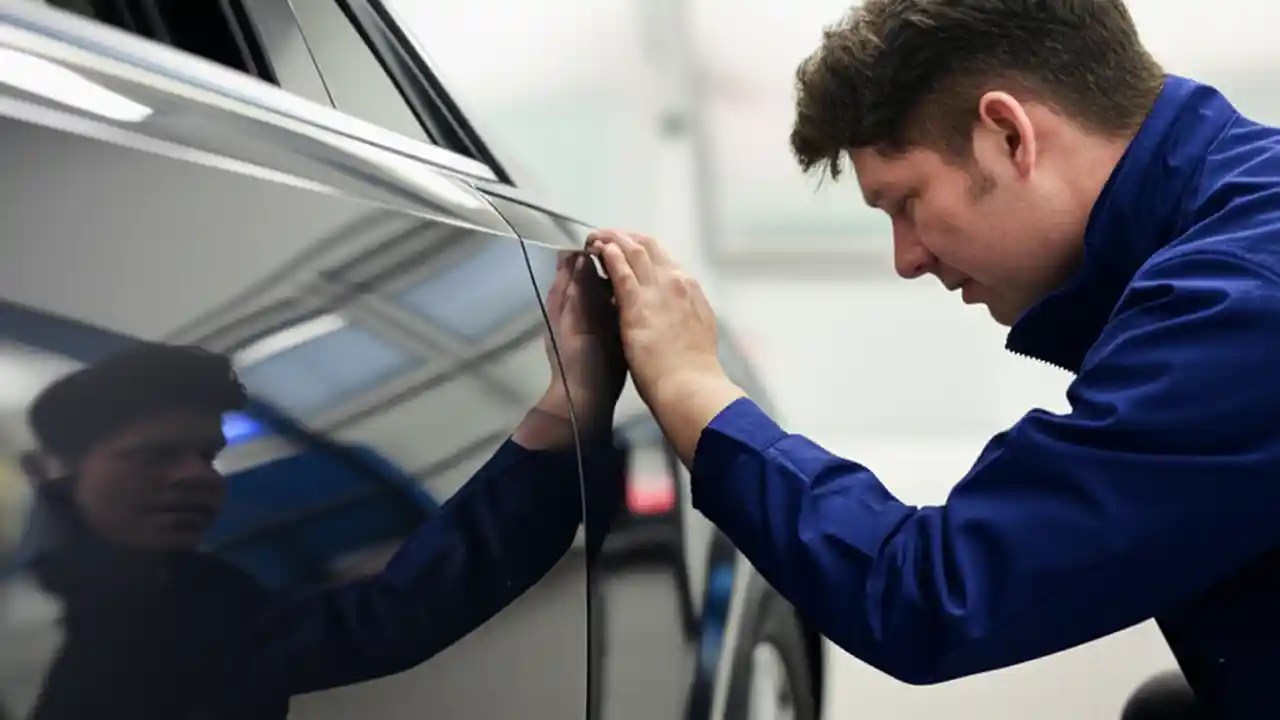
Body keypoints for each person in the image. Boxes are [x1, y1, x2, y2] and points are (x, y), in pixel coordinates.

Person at [585, 0, 1280, 716]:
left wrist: (695, 388)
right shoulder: (1240, 216)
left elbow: (933, 595)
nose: (906, 259)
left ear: (1008, 135)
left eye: (906, 202)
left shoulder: (1245, 304)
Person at [14, 253, 626, 719]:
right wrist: (570, 406)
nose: (196, 479)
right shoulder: (148, 613)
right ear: (57, 471)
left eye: (208, 456)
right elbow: (398, 615)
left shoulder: (174, 588)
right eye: (155, 456)